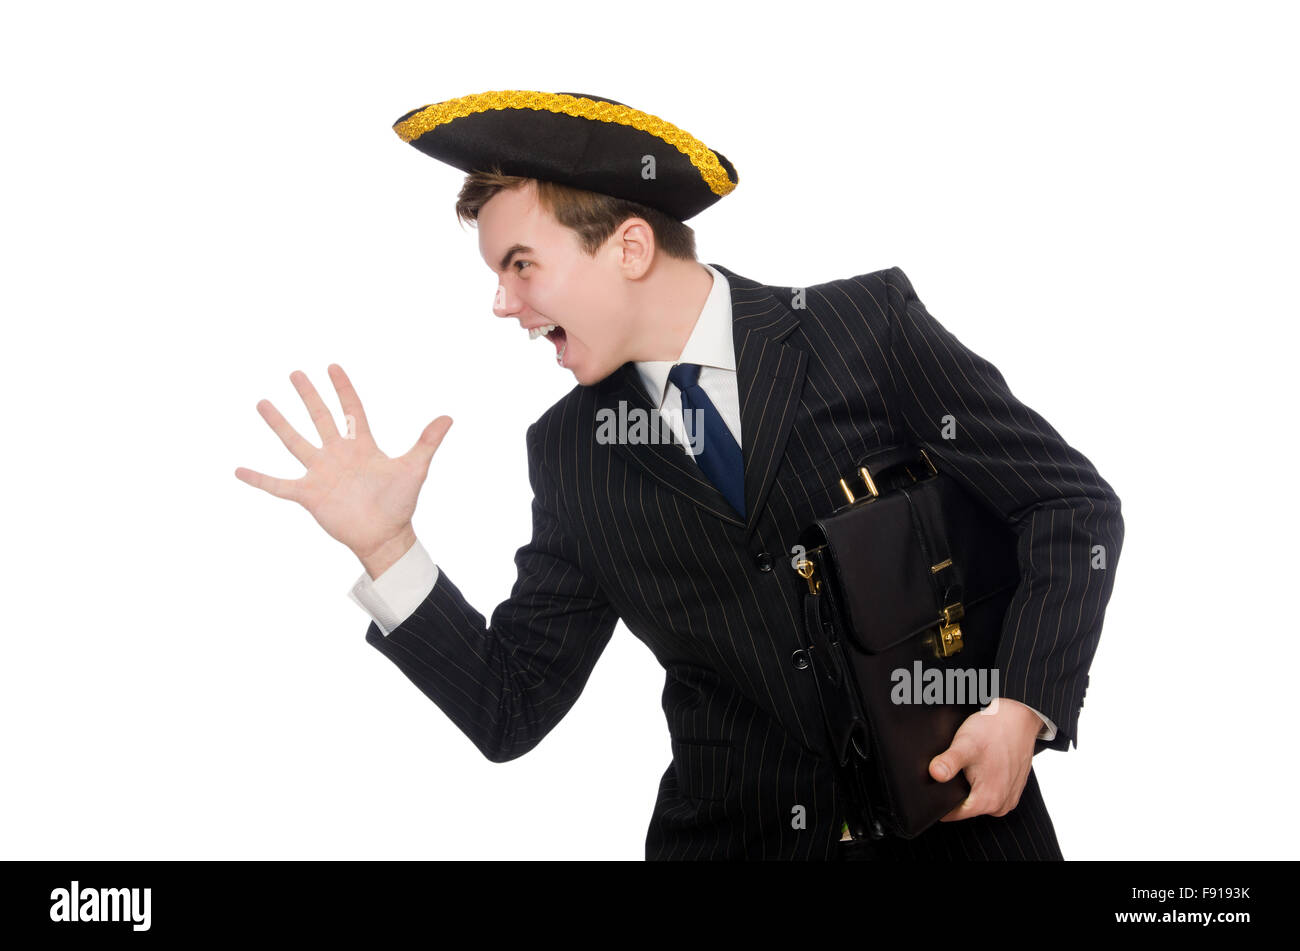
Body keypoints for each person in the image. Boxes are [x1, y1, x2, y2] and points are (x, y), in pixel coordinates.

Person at [235, 90, 1124, 860]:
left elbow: (1065, 504)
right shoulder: (572, 456)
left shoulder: (862, 329)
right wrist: (388, 547)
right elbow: (511, 704)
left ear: (627, 248)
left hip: (967, 841)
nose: (502, 303)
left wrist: (1021, 707)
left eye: (520, 266)